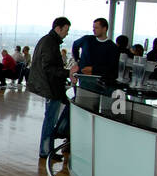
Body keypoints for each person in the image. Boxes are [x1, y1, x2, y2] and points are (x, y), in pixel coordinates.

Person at [29, 17, 72, 160]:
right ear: (58, 28)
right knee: (50, 119)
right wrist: (68, 73)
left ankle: (51, 144)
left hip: (51, 86)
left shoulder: (48, 41)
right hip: (51, 86)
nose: (67, 34)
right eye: (66, 30)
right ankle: (46, 150)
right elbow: (49, 67)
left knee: (60, 111)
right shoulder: (50, 43)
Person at [70, 18, 119, 82]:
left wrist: (93, 69)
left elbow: (112, 68)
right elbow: (75, 45)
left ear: (104, 29)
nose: (93, 30)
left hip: (99, 80)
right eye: (93, 27)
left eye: (96, 28)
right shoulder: (87, 39)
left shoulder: (112, 47)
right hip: (82, 78)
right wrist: (77, 60)